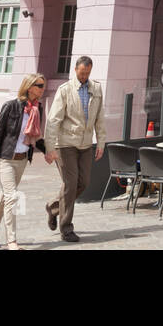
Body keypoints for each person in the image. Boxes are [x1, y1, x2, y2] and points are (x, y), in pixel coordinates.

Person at [43, 56, 107, 243]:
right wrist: (49, 147)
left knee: (84, 182)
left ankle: (54, 207)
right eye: (81, 73)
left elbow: (100, 118)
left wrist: (101, 143)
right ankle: (66, 228)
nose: (84, 76)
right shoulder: (65, 90)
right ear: (75, 70)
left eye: (87, 73)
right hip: (65, 144)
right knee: (70, 184)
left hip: (86, 144)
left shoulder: (96, 88)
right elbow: (53, 120)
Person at [0, 73, 47, 250]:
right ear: (29, 87)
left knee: (5, 199)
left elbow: (36, 136)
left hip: (22, 159)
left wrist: (48, 152)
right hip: (5, 160)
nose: (43, 89)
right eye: (40, 86)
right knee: (12, 197)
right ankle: (12, 241)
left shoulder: (37, 108)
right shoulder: (10, 106)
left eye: (43, 85)